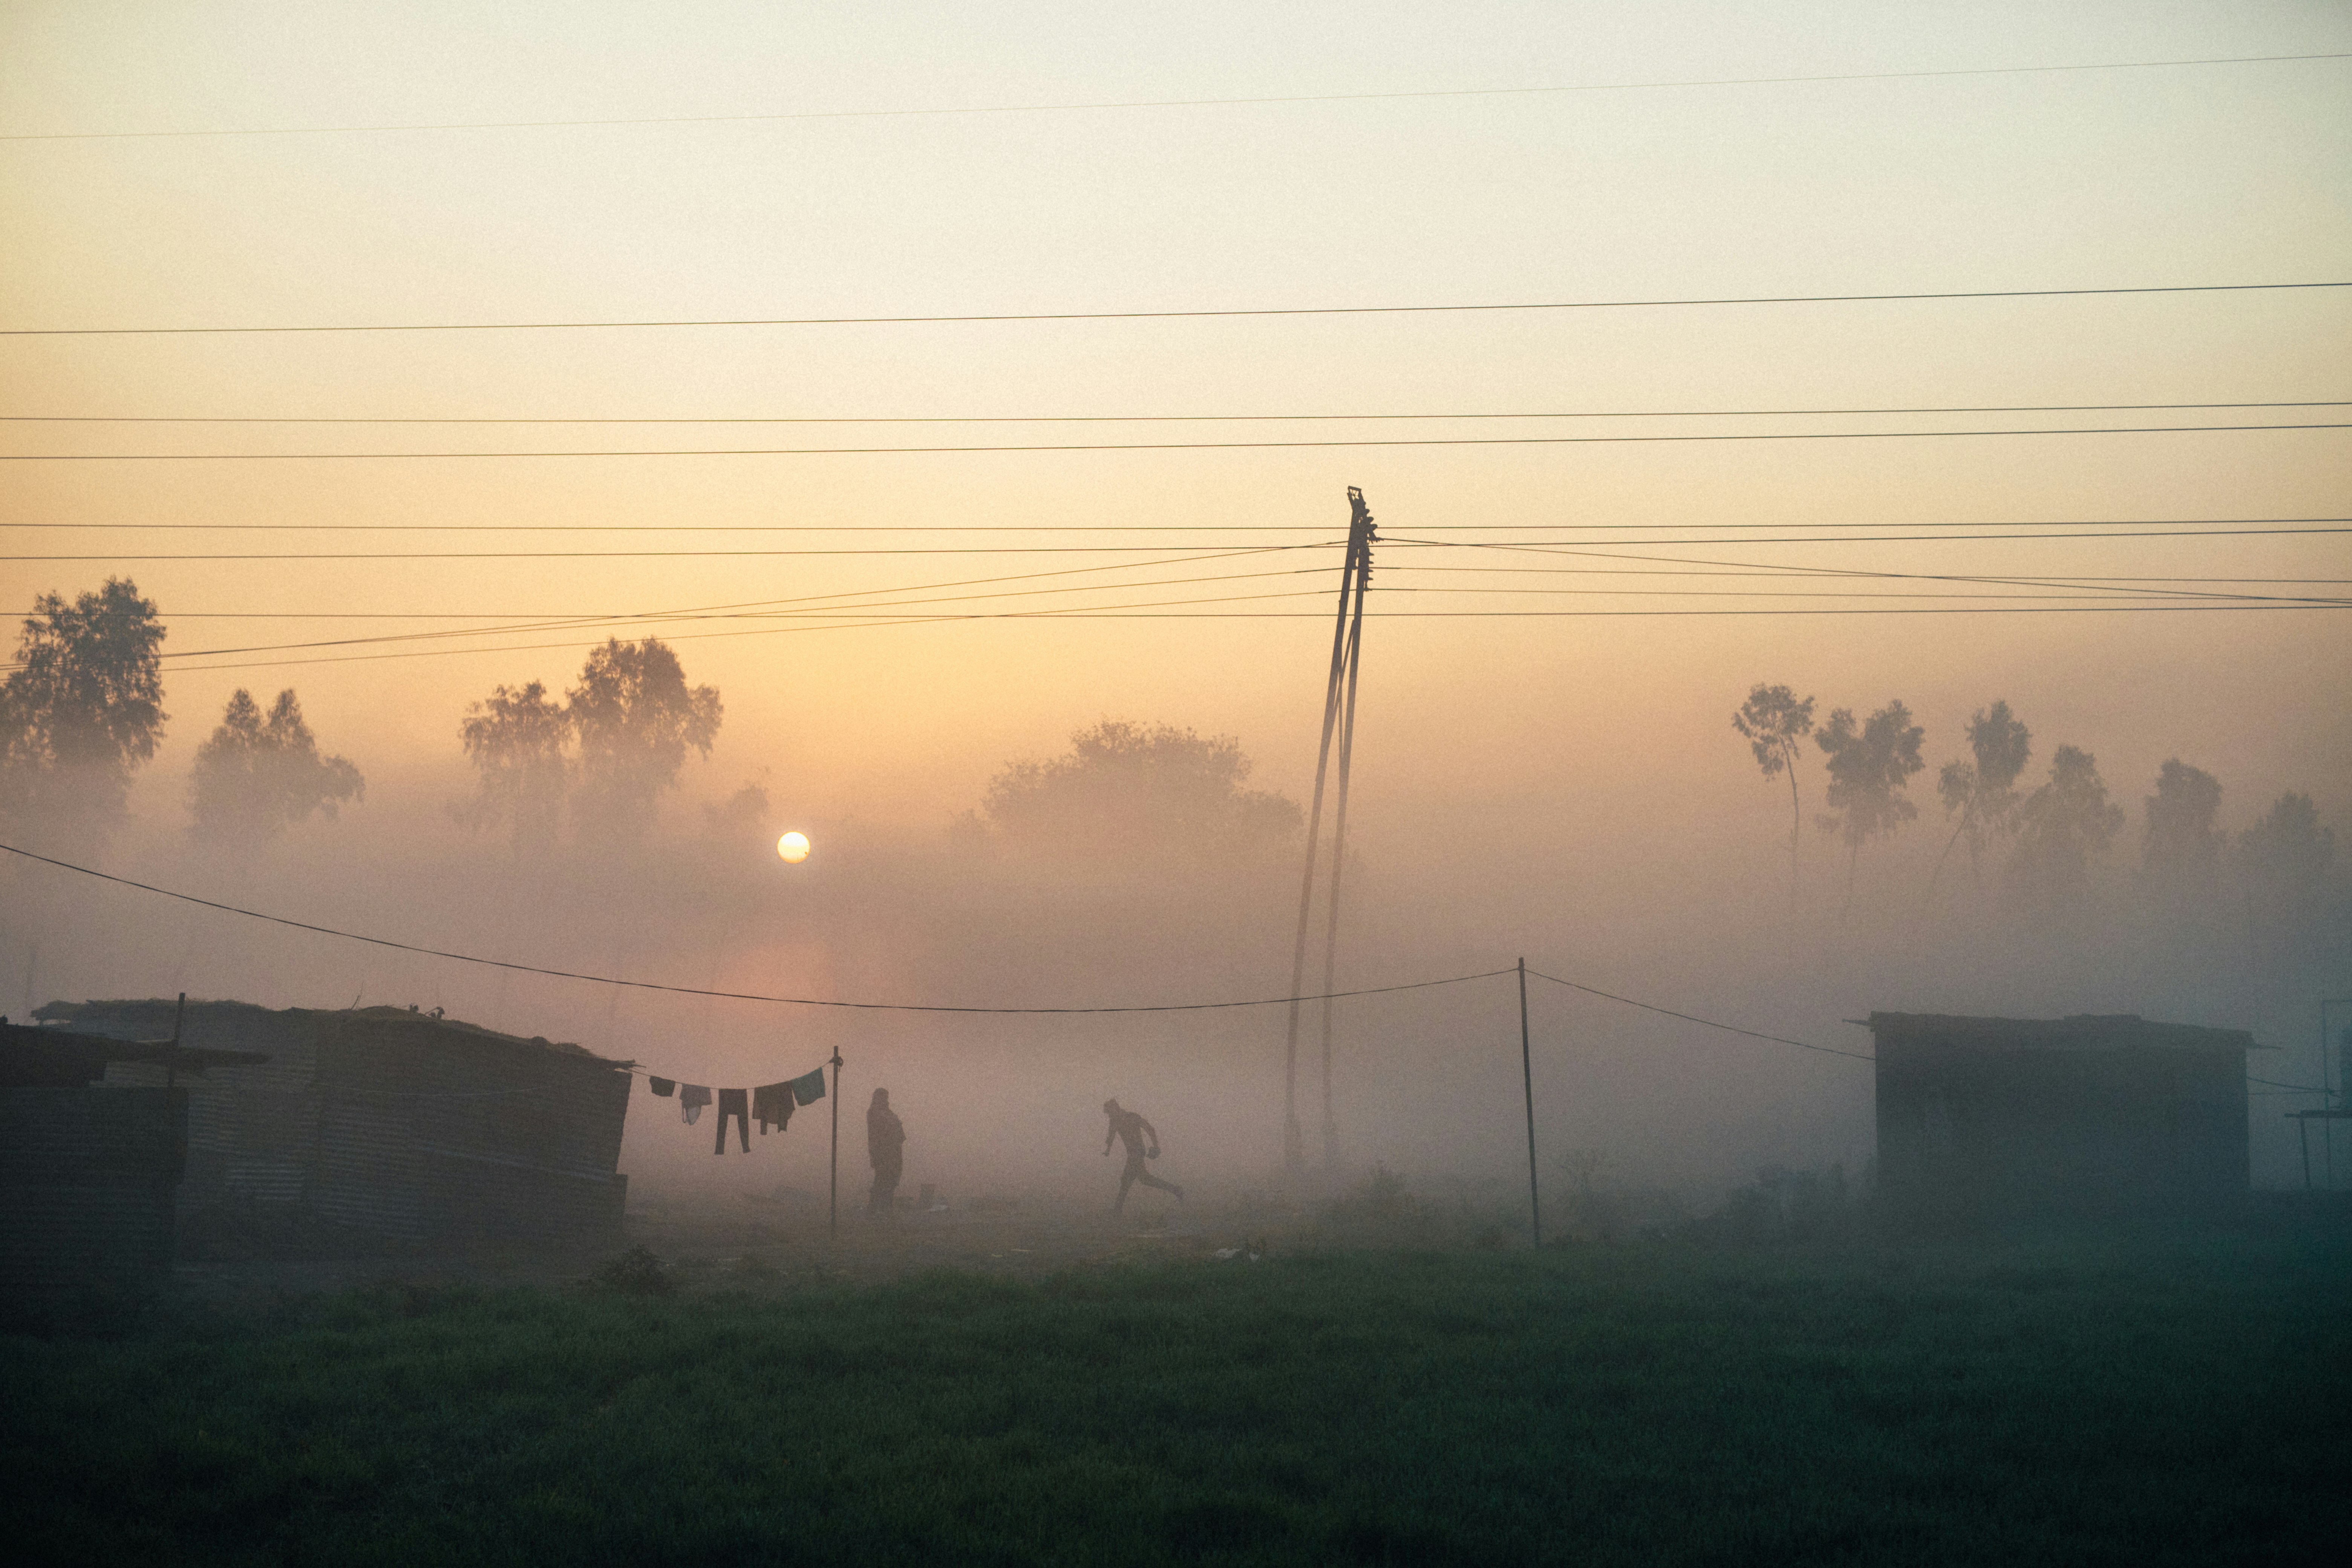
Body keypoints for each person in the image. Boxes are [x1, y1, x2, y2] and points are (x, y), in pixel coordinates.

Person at [1102, 1097, 1183, 1215]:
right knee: (1145, 1179)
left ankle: (1117, 1210)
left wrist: (1156, 1146)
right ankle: (1176, 1190)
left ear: (1116, 1109)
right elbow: (1111, 1136)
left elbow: (1150, 1129)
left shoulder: (1132, 1117)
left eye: (1110, 1112)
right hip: (1132, 1153)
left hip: (1138, 1152)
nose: (1109, 1116)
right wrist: (1108, 1149)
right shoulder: (1114, 1121)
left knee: (1127, 1180)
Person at [867, 1087, 905, 1216]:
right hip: (883, 1152)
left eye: (886, 1097)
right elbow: (875, 1134)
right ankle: (874, 1209)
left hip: (894, 1151)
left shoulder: (888, 1113)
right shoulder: (874, 1113)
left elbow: (898, 1130)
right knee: (882, 1180)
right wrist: (875, 1154)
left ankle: (886, 1207)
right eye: (883, 1097)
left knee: (892, 1179)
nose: (886, 1100)